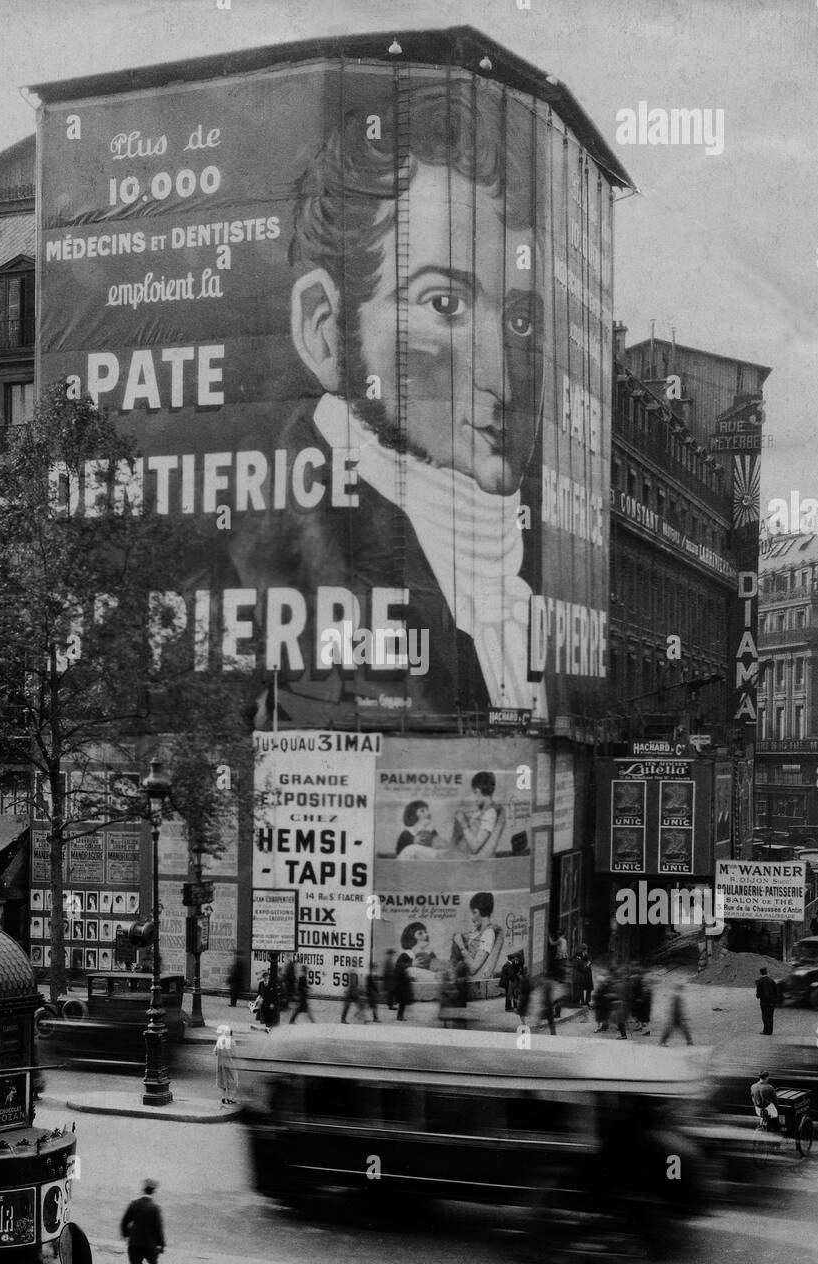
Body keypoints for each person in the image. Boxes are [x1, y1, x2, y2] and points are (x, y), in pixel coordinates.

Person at [229, 81, 548, 723]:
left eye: (518, 322)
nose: (504, 383)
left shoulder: (510, 573)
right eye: (443, 305)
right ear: (324, 329)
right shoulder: (289, 564)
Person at [121, 1180, 165, 1264]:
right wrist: (161, 1245)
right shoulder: (155, 1208)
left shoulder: (134, 1204)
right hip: (150, 1245)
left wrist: (126, 1234)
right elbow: (158, 1228)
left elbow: (124, 1222)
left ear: (143, 1190)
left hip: (134, 1244)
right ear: (153, 1192)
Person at [452, 772, 505, 858]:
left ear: (478, 791)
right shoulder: (488, 810)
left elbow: (475, 847)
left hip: (479, 863)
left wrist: (463, 823)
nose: (474, 797)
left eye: (474, 792)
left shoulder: (491, 812)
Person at [450, 892, 498, 979]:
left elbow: (473, 968)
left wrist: (461, 945)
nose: (472, 918)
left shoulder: (488, 934)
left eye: (474, 912)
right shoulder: (478, 931)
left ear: (483, 912)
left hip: (475, 983)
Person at [215, 1025, 239, 1106]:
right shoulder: (232, 1041)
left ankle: (223, 1097)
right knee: (232, 1081)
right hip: (230, 1064)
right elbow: (234, 1054)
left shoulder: (219, 1040)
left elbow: (215, 1052)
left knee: (222, 1081)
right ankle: (229, 1098)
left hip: (220, 1064)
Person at [755, 966, 779, 1036]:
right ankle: (770, 1031)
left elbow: (758, 995)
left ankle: (766, 1031)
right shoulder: (772, 981)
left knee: (765, 1016)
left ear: (760, 973)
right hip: (772, 1002)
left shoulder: (759, 981)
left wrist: (758, 995)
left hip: (764, 1002)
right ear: (766, 972)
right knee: (770, 1016)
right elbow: (776, 991)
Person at [393, 949, 414, 1022]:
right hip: (402, 989)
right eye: (407, 963)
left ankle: (400, 1016)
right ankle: (400, 1017)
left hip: (400, 988)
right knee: (402, 1004)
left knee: (402, 1004)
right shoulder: (402, 968)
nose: (408, 965)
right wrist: (409, 978)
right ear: (405, 962)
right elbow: (405, 978)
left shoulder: (399, 967)